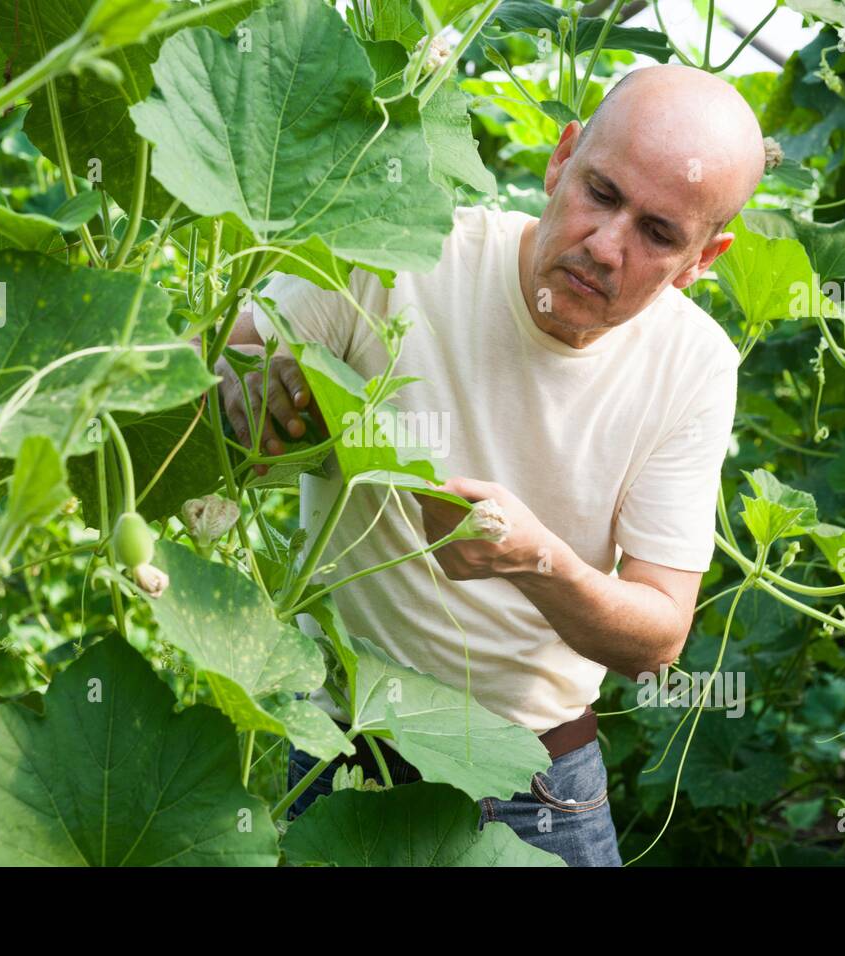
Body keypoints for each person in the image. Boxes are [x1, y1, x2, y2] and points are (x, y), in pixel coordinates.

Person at [216, 63, 769, 866]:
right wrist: (241, 385)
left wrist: (536, 560)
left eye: (657, 234)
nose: (606, 247)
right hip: (347, 749)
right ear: (560, 159)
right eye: (602, 194)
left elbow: (659, 636)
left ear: (701, 260)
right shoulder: (398, 250)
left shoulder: (696, 366)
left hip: (535, 779)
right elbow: (229, 365)